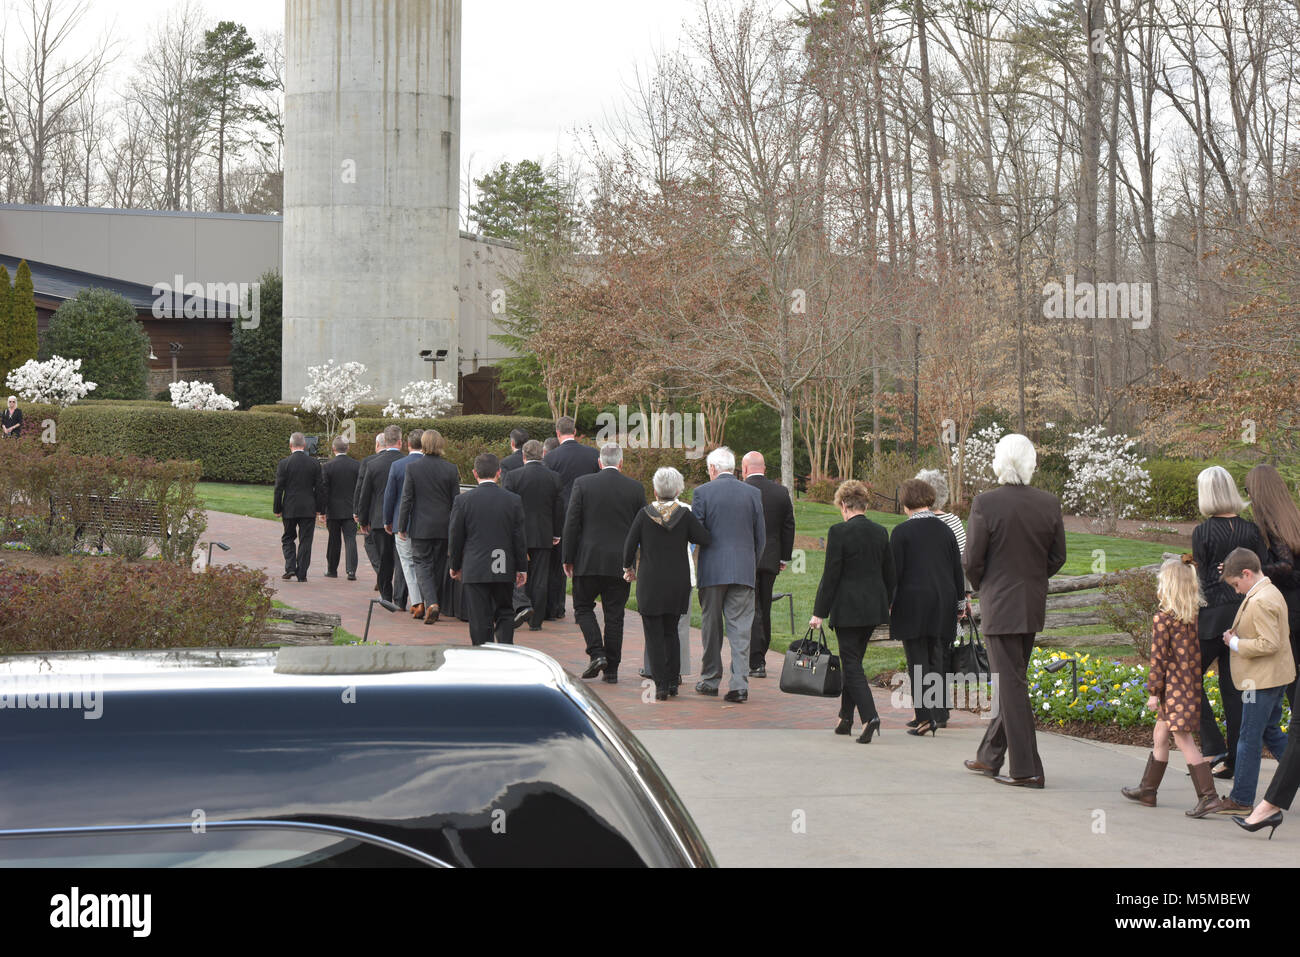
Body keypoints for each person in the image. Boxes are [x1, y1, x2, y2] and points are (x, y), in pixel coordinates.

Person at [962, 433, 1066, 789]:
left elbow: (971, 559)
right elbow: (1058, 557)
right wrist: (1033, 578)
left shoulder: (985, 503)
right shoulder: (1049, 503)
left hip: (1000, 604)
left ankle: (1027, 770)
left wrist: (985, 586)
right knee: (1013, 680)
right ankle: (990, 755)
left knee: (1010, 683)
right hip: (1030, 603)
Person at [1120, 557, 1226, 817]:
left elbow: (1158, 660)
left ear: (1167, 587)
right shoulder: (1192, 618)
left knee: (1184, 740)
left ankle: (1208, 796)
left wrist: (1154, 693)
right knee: (1160, 735)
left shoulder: (1163, 619)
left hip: (1172, 690)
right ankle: (1148, 789)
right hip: (1189, 686)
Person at [1191, 466, 1267, 779]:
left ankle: (1212, 744)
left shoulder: (1203, 532)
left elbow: (1200, 579)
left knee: (1183, 676)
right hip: (1244, 615)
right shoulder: (1252, 531)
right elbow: (1260, 571)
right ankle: (1234, 760)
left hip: (1213, 616)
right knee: (1234, 690)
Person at [809, 480, 894, 743]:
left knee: (852, 663)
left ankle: (870, 717)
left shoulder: (838, 532)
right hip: (873, 609)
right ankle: (845, 719)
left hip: (847, 609)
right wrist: (888, 603)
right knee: (853, 661)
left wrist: (818, 612)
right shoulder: (881, 532)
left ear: (844, 505)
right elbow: (890, 574)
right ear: (865, 505)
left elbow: (831, 576)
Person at [1214, 547, 1294, 815]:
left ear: (1246, 573)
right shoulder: (1269, 591)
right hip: (1273, 676)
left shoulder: (1261, 600)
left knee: (1248, 737)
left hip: (1260, 681)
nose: (1237, 590)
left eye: (1237, 584)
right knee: (1270, 730)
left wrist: (1235, 643)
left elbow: (1268, 643)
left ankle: (1242, 799)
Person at [624, 467, 712, 700]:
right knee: (671, 631)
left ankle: (660, 685)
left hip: (651, 582)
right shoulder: (685, 515)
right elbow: (703, 538)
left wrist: (628, 568)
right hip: (677, 582)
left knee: (653, 634)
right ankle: (673, 681)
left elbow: (629, 545)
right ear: (678, 490)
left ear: (655, 490)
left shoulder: (644, 514)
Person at [564, 443, 647, 682]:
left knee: (582, 607)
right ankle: (611, 670)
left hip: (587, 559)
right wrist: (635, 562)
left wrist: (568, 558)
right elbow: (640, 527)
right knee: (615, 615)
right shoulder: (635, 488)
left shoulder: (583, 484)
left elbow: (572, 523)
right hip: (620, 562)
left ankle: (597, 652)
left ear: (599, 462)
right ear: (621, 463)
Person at [889, 478, 964, 737]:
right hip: (943, 600)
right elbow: (957, 570)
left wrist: (888, 602)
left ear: (906, 501)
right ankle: (938, 713)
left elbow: (893, 574)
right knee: (938, 656)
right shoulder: (945, 531)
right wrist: (961, 603)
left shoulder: (901, 533)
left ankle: (924, 717)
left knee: (917, 659)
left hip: (913, 602)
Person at [692, 446, 765, 703]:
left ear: (713, 469)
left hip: (712, 570)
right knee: (740, 629)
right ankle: (739, 685)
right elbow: (761, 537)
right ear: (733, 468)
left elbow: (696, 534)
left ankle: (711, 679)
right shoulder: (753, 493)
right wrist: (750, 563)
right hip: (743, 569)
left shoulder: (701, 493)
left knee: (711, 628)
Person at [448, 453, 527, 645]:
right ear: (499, 472)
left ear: (475, 473)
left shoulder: (463, 501)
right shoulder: (513, 500)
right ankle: (506, 649)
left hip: (475, 566)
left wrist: (455, 564)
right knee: (505, 611)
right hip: (502, 563)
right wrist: (521, 567)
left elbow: (456, 536)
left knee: (478, 617)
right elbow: (519, 537)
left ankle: (483, 653)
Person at [1243, 464, 1300, 710]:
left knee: (1292, 682)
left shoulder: (1270, 524)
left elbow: (1285, 566)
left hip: (1289, 610)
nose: (1247, 496)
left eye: (1248, 490)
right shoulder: (1292, 518)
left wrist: (1254, 573)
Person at [397, 429, 460, 625]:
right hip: (444, 526)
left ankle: (431, 602)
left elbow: (407, 499)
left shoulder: (413, 468)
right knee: (439, 566)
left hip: (421, 526)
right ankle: (435, 603)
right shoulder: (451, 469)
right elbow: (456, 502)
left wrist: (401, 525)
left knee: (422, 565)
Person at [742, 451, 795, 678]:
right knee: (765, 606)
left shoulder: (741, 491)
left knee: (751, 608)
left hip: (746, 557)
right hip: (771, 557)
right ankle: (760, 655)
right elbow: (788, 526)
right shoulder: (781, 492)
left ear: (744, 469)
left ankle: (755, 660)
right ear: (764, 468)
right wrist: (784, 557)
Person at [503, 440, 563, 631]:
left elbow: (507, 508)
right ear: (543, 455)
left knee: (515, 572)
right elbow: (558, 508)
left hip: (518, 534)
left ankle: (520, 606)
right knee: (540, 577)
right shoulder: (554, 477)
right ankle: (536, 620)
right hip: (544, 533)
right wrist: (556, 532)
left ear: (523, 456)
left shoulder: (513, 477)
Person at [545, 416, 601, 620]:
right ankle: (583, 607)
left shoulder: (551, 458)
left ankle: (557, 607)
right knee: (583, 562)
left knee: (559, 563)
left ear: (558, 433)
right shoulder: (593, 454)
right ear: (575, 432)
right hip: (587, 515)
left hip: (561, 515)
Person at [354, 425, 405, 604]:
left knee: (384, 560)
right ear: (400, 442)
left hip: (378, 518)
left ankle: (386, 596)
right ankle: (400, 598)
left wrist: (363, 518)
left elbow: (365, 494)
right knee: (400, 560)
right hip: (401, 519)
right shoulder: (408, 463)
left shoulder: (373, 464)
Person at [383, 428, 425, 617]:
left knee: (407, 564)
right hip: (428, 524)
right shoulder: (434, 465)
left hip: (404, 523)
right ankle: (428, 600)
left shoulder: (398, 466)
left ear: (407, 445)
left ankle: (417, 601)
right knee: (426, 563)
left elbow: (390, 495)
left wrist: (387, 520)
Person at [273, 432, 324, 582]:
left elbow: (279, 488)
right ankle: (302, 573)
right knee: (306, 540)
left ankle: (290, 567)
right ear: (305, 445)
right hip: (308, 507)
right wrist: (319, 508)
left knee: (288, 537)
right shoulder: (314, 463)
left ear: (290, 445)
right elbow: (320, 488)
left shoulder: (284, 463)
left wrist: (277, 508)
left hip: (290, 506)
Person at [320, 436, 361, 580]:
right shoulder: (357, 465)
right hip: (351, 508)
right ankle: (351, 571)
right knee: (351, 539)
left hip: (333, 509)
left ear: (333, 449)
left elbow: (324, 490)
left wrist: (322, 511)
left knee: (334, 539)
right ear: (348, 448)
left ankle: (332, 569)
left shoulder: (327, 467)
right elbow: (360, 489)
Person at [356, 433, 385, 581]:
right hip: (395, 514)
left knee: (370, 543)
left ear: (377, 445)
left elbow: (361, 489)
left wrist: (359, 513)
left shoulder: (368, 462)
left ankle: (381, 573)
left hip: (375, 512)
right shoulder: (401, 460)